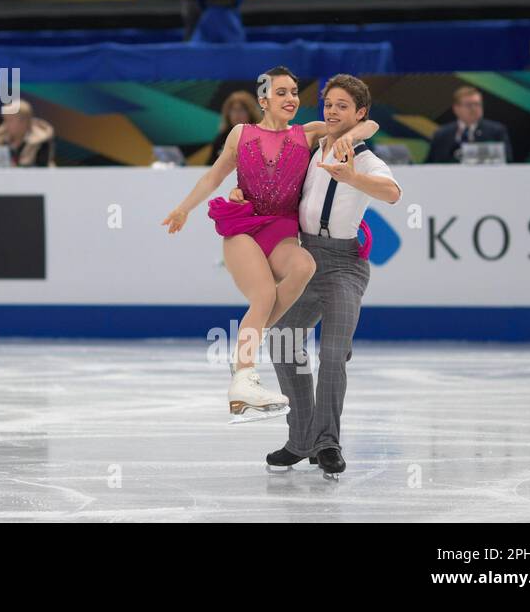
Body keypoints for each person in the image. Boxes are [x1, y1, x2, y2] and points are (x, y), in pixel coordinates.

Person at [160, 67, 378, 422]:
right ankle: (244, 375)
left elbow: (369, 125)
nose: (292, 98)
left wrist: (351, 138)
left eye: (294, 92)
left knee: (304, 265)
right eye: (282, 93)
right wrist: (183, 208)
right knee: (263, 296)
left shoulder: (307, 134)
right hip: (244, 225)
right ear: (263, 100)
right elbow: (214, 174)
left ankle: (245, 355)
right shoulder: (240, 133)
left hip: (282, 230)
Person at [259, 74, 402, 477]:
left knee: (334, 354)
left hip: (344, 266)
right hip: (304, 261)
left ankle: (327, 443)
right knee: (284, 341)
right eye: (329, 103)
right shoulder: (307, 151)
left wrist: (352, 176)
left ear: (359, 113)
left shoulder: (366, 159)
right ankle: (300, 439)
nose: (333, 111)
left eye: (343, 105)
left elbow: (393, 193)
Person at [426, 85, 513, 163]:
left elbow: (507, 159)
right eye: (469, 105)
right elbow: (430, 163)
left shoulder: (496, 131)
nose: (474, 108)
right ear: (456, 108)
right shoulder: (442, 134)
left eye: (477, 104)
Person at [0, 99, 56, 167]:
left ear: (25, 122)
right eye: (5, 119)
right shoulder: (0, 136)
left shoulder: (42, 140)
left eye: (10, 120)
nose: (6, 124)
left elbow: (41, 169)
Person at [209, 90, 262, 162]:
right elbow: (210, 166)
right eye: (233, 110)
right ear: (228, 114)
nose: (237, 114)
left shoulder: (260, 137)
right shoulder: (221, 139)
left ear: (251, 113)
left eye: (241, 110)